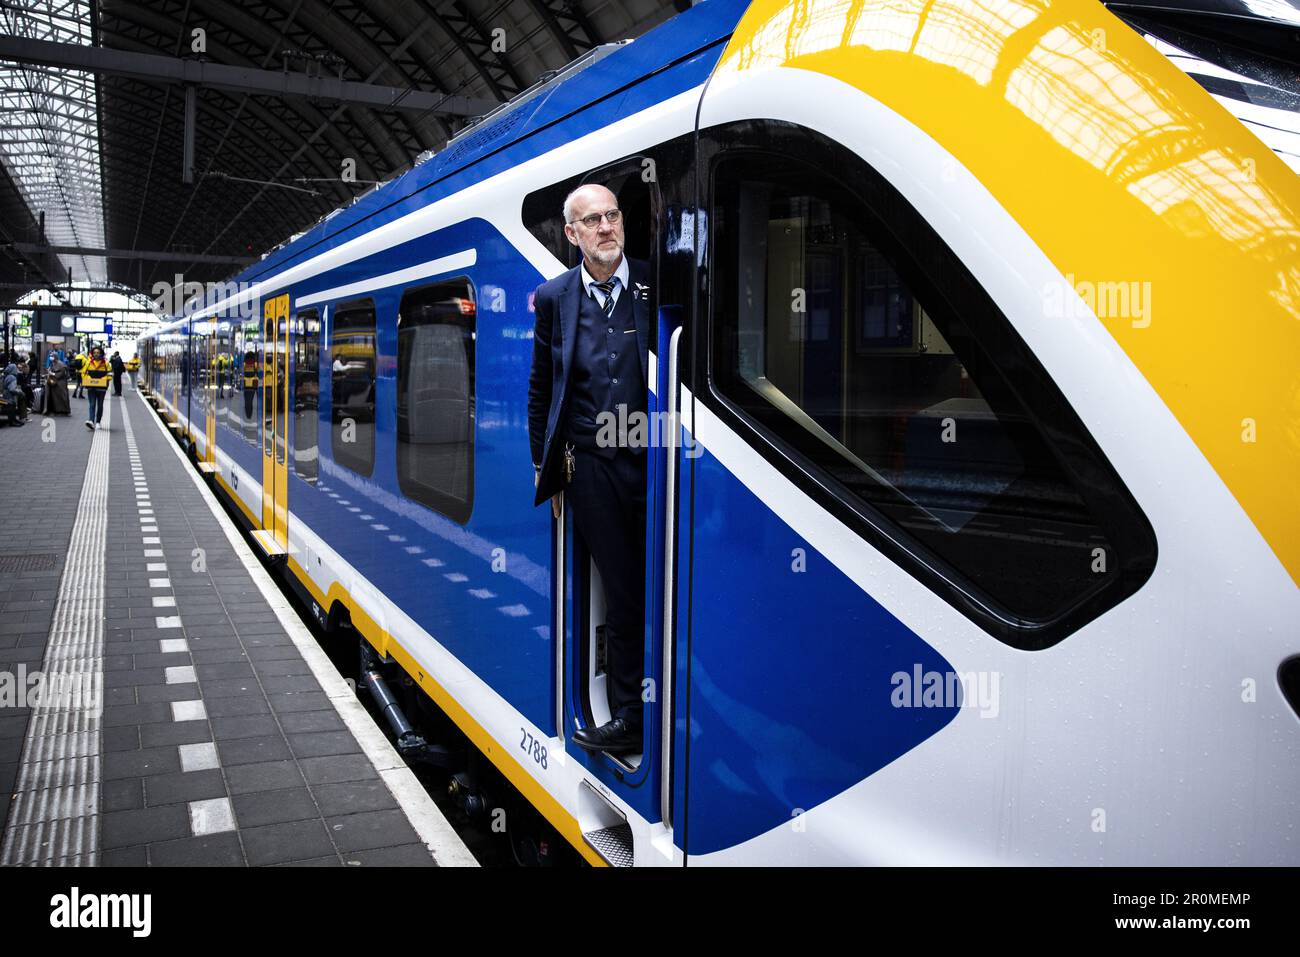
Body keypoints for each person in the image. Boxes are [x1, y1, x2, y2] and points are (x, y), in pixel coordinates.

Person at [528, 183, 650, 756]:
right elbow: (540, 387)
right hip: (591, 466)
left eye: (612, 216)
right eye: (592, 221)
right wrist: (543, 466)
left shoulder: (656, 285)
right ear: (571, 235)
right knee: (624, 591)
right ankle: (630, 714)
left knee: (668, 583)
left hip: (656, 460)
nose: (606, 227)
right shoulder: (554, 299)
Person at [82, 346, 111, 430]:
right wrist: (89, 378)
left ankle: (98, 422)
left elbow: (110, 374)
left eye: (98, 353)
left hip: (102, 388)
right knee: (92, 404)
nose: (96, 354)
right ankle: (91, 420)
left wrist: (104, 379)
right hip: (91, 387)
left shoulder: (106, 363)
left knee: (100, 405)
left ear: (101, 353)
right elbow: (83, 373)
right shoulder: (88, 362)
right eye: (94, 353)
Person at [2, 360, 24, 427]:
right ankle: (12, 421)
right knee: (12, 406)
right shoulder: (12, 377)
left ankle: (13, 420)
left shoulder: (7, 376)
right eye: (16, 368)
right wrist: (19, 392)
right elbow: (12, 389)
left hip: (6, 394)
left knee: (11, 407)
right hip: (10, 395)